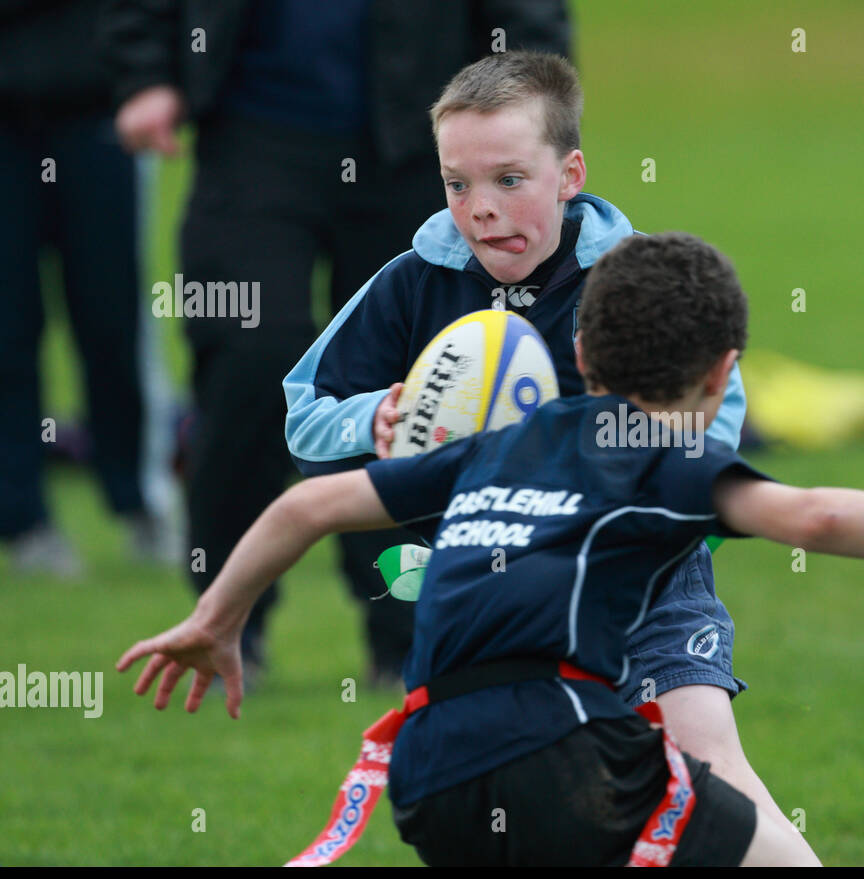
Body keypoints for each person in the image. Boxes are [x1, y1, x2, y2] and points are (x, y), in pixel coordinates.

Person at [117, 231, 864, 866]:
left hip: (425, 776)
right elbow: (820, 518)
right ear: (722, 376)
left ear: (576, 352)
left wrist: (218, 616)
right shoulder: (662, 457)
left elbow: (304, 509)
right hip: (560, 751)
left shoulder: (503, 440)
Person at [278, 50, 814, 855]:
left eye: (508, 180)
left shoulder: (632, 281)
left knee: (711, 766)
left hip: (644, 578)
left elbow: (716, 427)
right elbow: (304, 412)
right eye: (457, 185)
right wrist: (380, 417)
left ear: (569, 175)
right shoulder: (412, 283)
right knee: (557, 815)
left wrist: (575, 454)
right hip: (497, 596)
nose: (481, 209)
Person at [103, 0, 571, 685]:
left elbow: (529, 12)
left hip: (423, 144)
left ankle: (405, 633)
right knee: (249, 357)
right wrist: (144, 73)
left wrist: (533, 125)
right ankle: (231, 621)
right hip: (251, 131)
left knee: (429, 383)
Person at [0, 0, 168, 576]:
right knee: (9, 327)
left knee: (112, 319)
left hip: (96, 114)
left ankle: (139, 499)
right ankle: (24, 520)